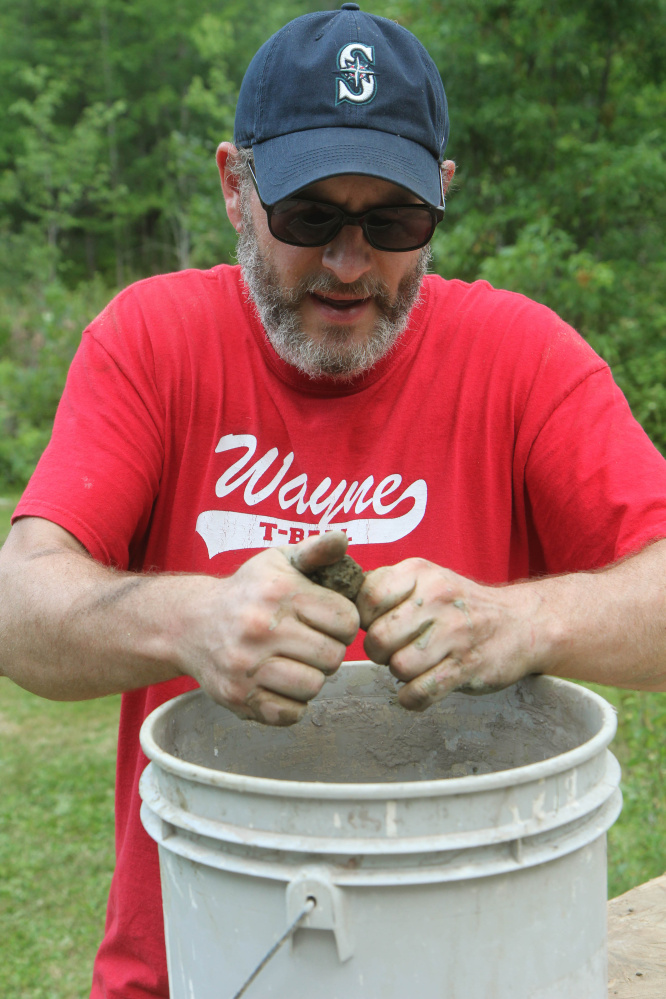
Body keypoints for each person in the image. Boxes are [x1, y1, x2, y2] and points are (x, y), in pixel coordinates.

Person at [1, 4, 666, 997]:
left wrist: (523, 621)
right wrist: (192, 623)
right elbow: (21, 609)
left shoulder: (521, 358)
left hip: (472, 961)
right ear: (237, 186)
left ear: (440, 197)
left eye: (392, 221)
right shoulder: (152, 341)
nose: (349, 263)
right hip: (203, 957)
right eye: (309, 216)